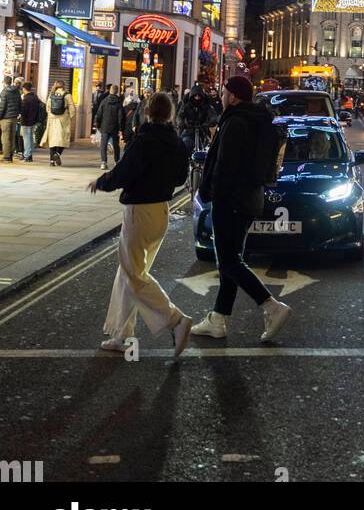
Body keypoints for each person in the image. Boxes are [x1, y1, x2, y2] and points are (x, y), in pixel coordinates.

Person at [87, 91, 192, 358]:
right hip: (161, 213)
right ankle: (122, 335)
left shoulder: (143, 141)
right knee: (129, 274)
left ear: (147, 111)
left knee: (134, 275)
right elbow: (181, 178)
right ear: (170, 114)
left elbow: (123, 172)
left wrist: (100, 182)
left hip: (139, 213)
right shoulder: (178, 144)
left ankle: (175, 319)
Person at [191, 76, 291, 343]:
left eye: (224, 92)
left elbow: (226, 165)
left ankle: (272, 307)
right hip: (248, 200)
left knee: (229, 260)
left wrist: (214, 194)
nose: (222, 96)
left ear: (233, 96)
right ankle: (218, 319)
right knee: (230, 260)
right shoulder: (254, 119)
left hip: (231, 201)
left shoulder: (235, 121)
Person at [42, 82, 76, 165]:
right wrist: (70, 116)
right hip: (63, 119)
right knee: (63, 138)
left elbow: (47, 107)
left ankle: (51, 161)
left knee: (52, 140)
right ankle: (57, 154)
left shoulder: (51, 94)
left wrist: (50, 114)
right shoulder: (67, 95)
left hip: (52, 119)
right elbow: (72, 108)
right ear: (63, 86)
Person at [95, 84, 124, 169]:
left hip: (104, 126)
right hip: (115, 127)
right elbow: (121, 117)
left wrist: (98, 125)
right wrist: (121, 128)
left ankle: (103, 162)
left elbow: (99, 114)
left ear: (110, 91)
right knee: (116, 145)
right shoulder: (119, 103)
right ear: (117, 91)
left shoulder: (104, 101)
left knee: (103, 145)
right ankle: (116, 161)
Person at [0, 75, 22, 162]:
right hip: (14, 118)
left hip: (5, 118)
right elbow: (20, 103)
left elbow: (2, 107)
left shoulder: (4, 92)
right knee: (12, 137)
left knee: (5, 138)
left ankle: (6, 157)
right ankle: (11, 155)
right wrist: (18, 113)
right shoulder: (16, 91)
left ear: (4, 82)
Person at [19, 81, 41, 162]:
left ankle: (27, 156)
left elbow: (23, 111)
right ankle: (30, 155)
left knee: (26, 139)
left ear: (24, 88)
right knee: (31, 138)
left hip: (26, 121)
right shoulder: (35, 97)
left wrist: (20, 116)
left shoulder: (26, 98)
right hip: (33, 121)